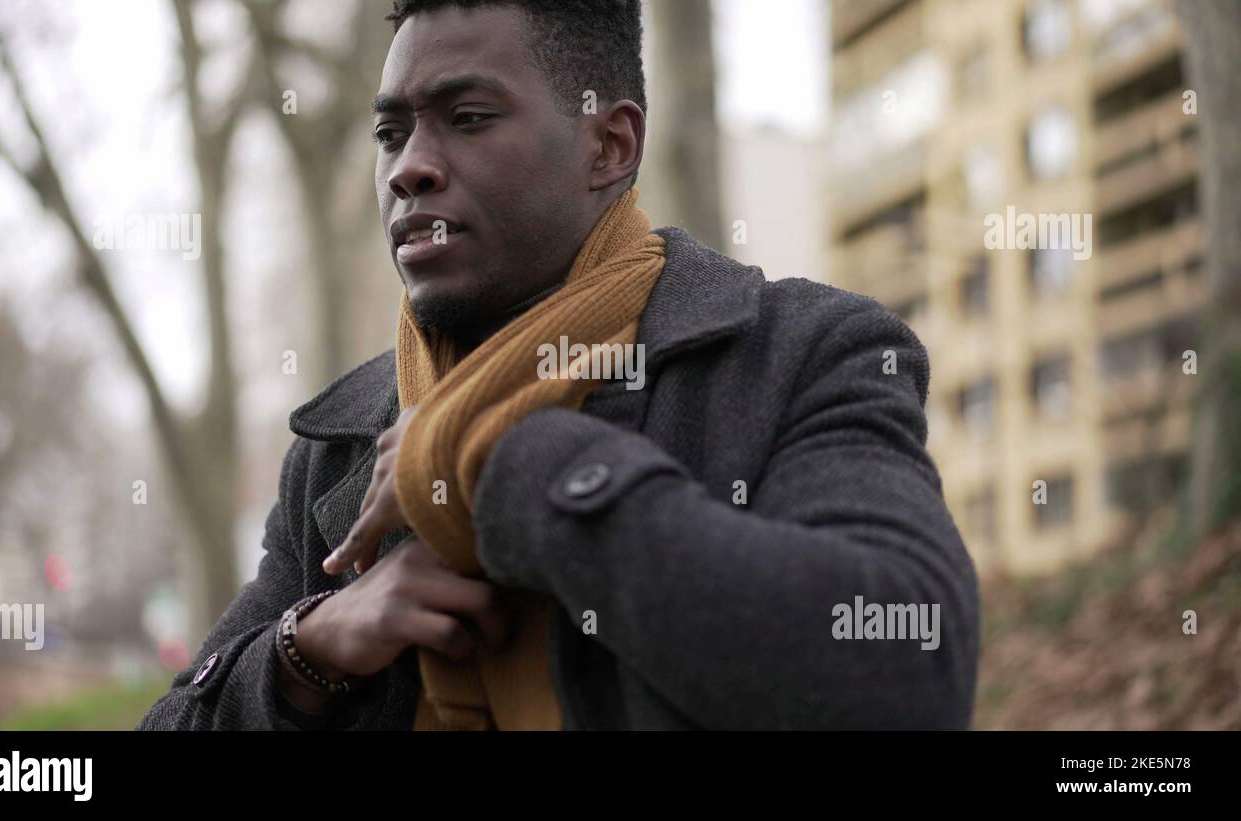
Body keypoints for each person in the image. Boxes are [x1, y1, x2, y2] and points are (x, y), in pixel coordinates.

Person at [138, 0, 980, 731]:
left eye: (466, 118)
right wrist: (305, 651)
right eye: (390, 133)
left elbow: (910, 665)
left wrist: (498, 465)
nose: (408, 168)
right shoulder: (342, 442)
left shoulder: (802, 353)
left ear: (609, 145)